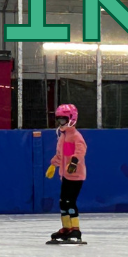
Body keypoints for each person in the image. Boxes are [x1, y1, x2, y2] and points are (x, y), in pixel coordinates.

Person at [45, 103, 87, 243]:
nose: (61, 122)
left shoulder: (76, 136)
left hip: (75, 176)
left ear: (71, 118)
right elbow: (60, 155)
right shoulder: (62, 137)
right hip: (65, 175)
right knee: (63, 202)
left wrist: (74, 162)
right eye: (59, 120)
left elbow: (80, 151)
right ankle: (66, 228)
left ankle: (75, 229)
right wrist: (53, 165)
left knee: (70, 201)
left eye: (63, 119)